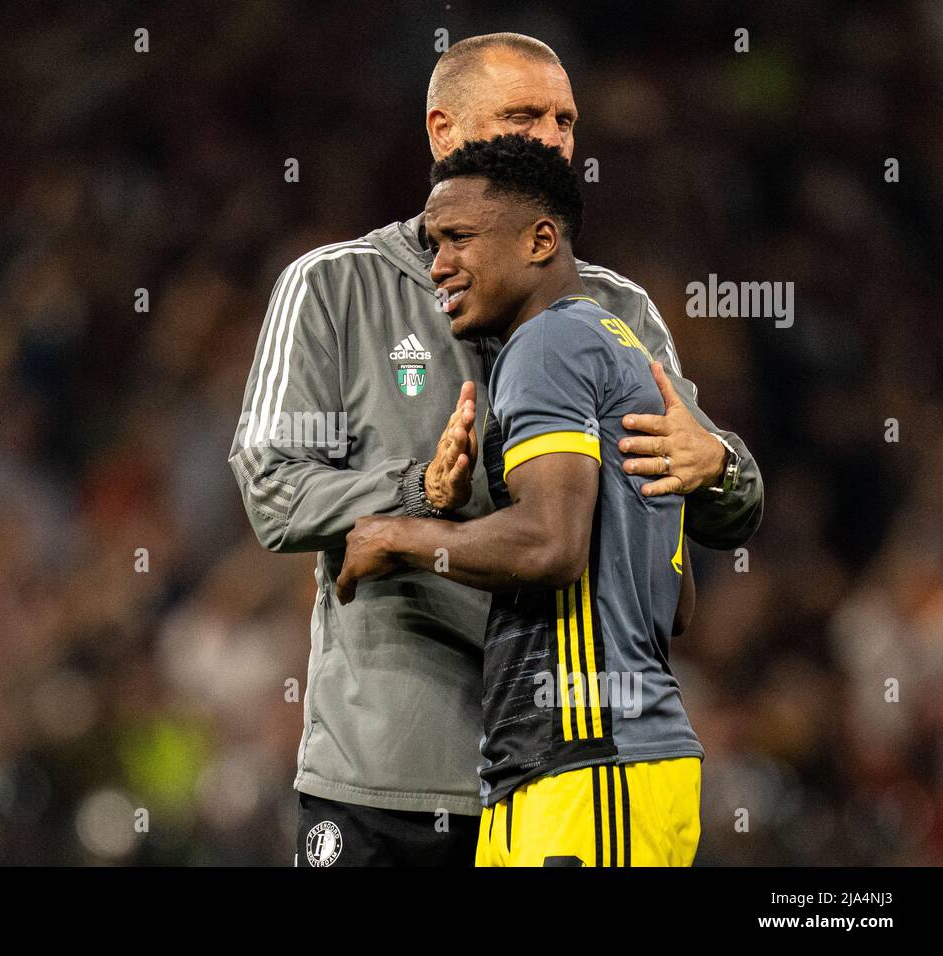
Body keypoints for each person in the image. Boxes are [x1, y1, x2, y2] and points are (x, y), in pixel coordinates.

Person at [228, 32, 760, 867]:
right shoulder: (334, 286)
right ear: (442, 132)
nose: (550, 137)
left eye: (564, 120)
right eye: (523, 114)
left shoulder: (622, 314)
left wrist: (721, 469)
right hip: (388, 773)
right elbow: (269, 490)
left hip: (563, 766)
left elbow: (708, 528)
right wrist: (413, 491)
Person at [337, 132, 704, 866]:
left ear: (541, 239)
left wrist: (393, 536)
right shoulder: (614, 343)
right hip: (577, 766)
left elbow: (548, 545)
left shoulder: (547, 347)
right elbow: (680, 599)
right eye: (434, 242)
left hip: (591, 761)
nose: (439, 265)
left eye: (460, 239)